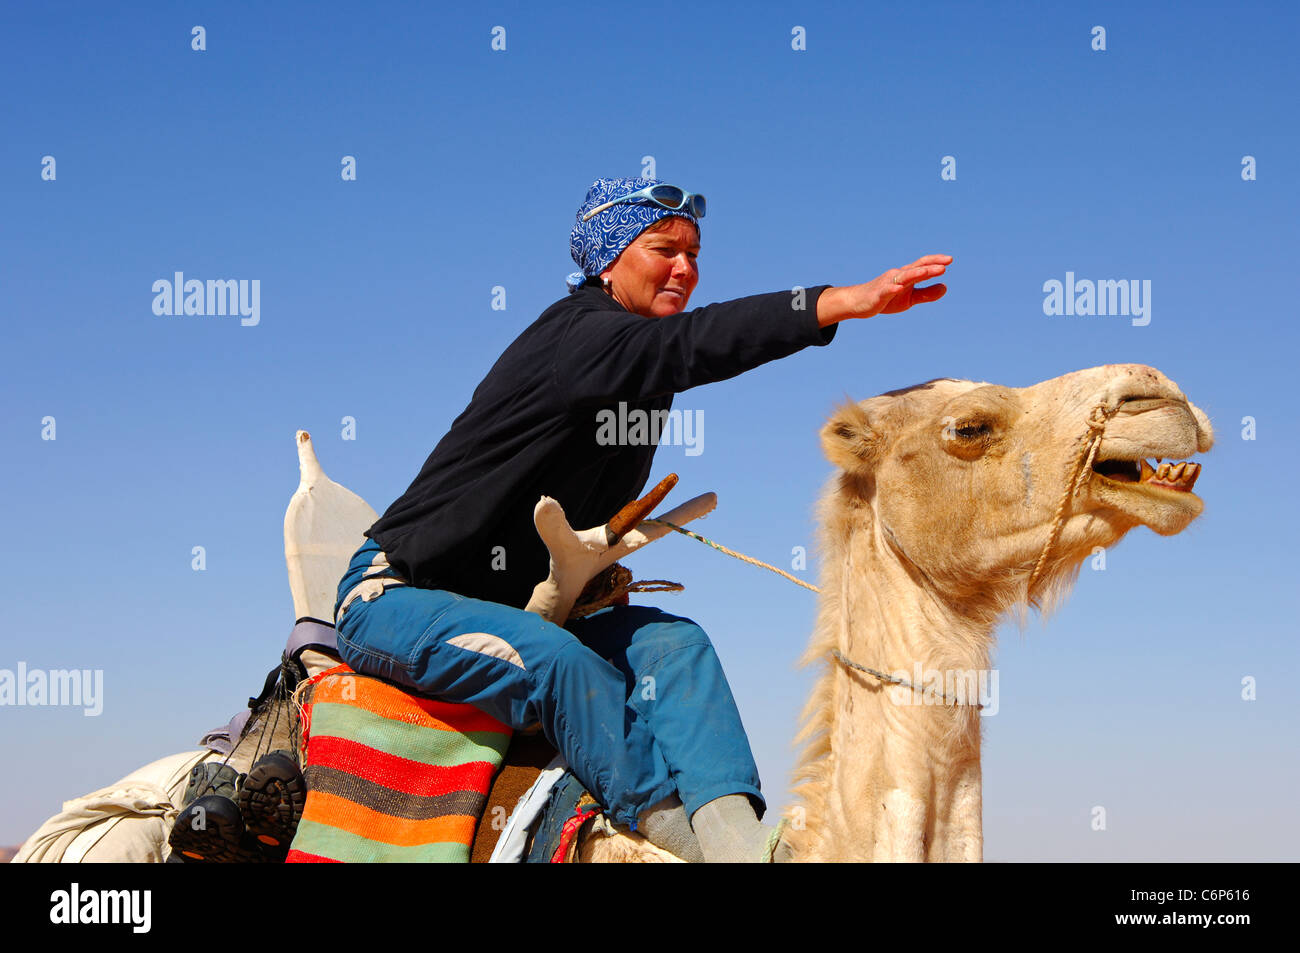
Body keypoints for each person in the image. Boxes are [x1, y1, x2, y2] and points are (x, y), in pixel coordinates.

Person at [333, 176, 951, 861]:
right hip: (397, 599)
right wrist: (838, 304)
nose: (685, 268)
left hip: (523, 607)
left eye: (695, 254)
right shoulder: (583, 337)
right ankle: (673, 841)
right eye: (664, 249)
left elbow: (677, 351)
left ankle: (741, 844)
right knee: (561, 665)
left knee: (677, 648)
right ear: (608, 260)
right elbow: (697, 342)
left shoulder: (638, 371)